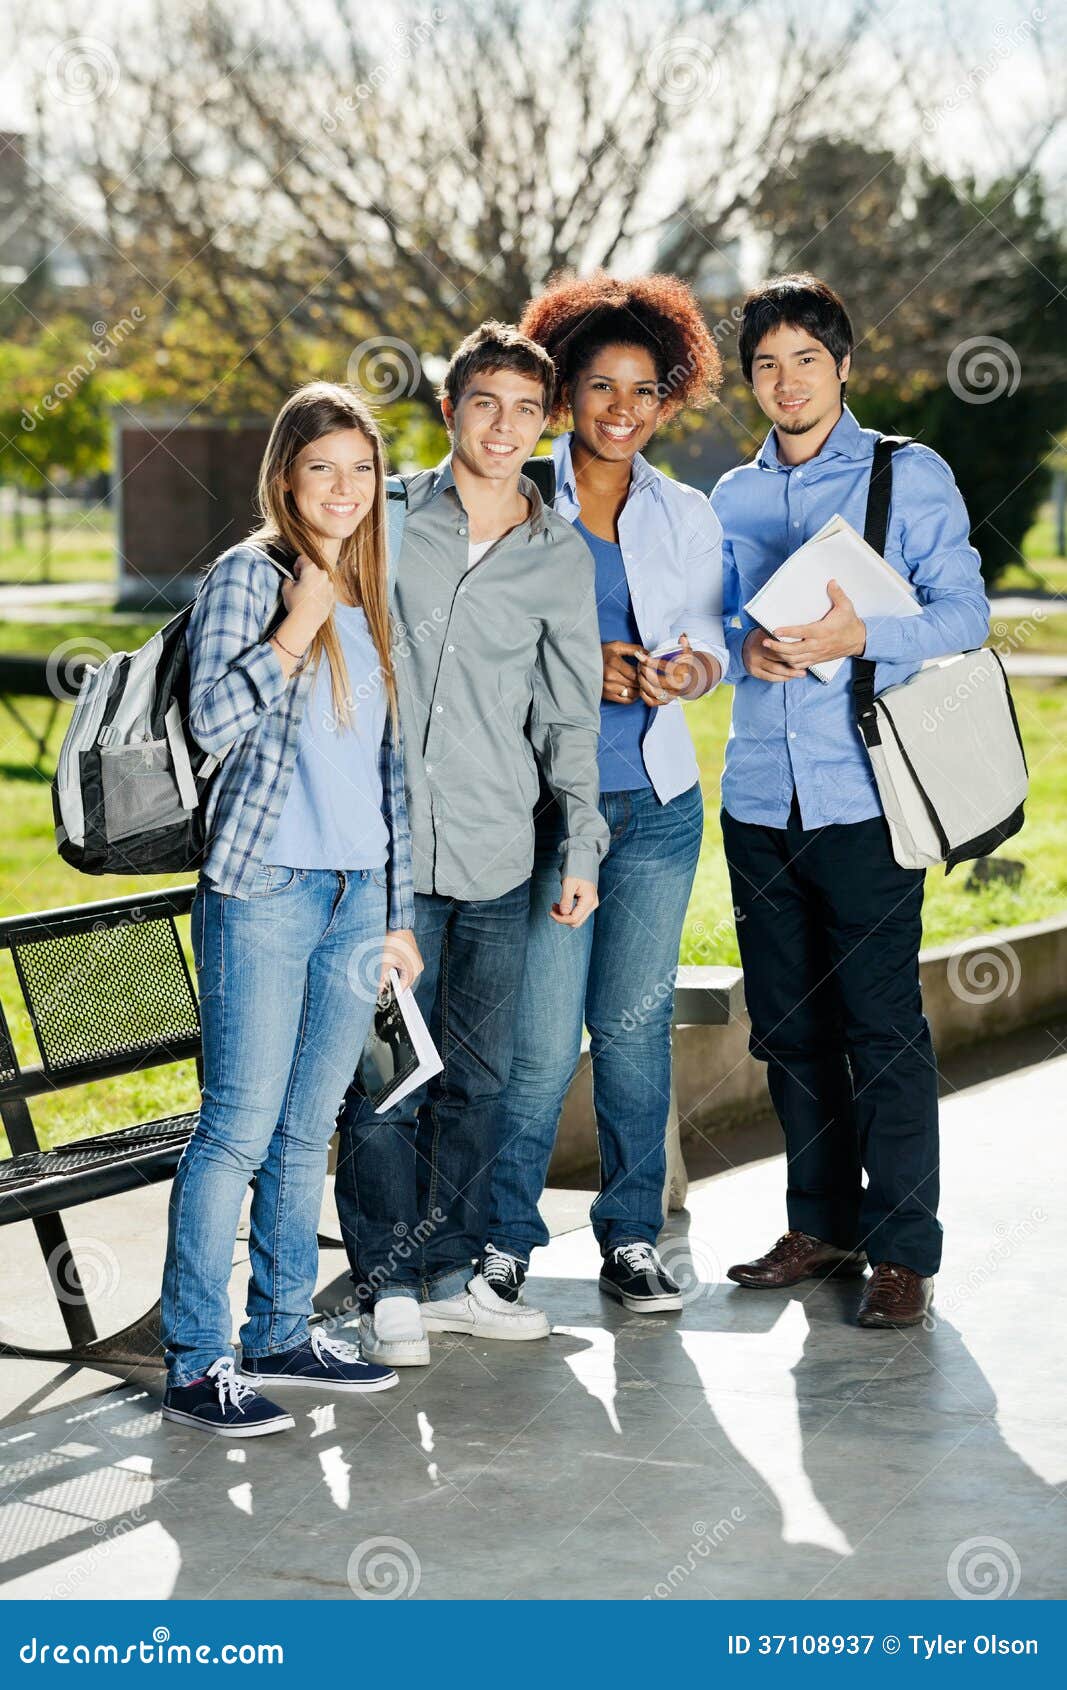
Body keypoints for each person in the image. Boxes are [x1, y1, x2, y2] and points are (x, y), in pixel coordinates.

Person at [710, 274, 989, 1328]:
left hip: (866, 798)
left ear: (841, 366)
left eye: (804, 361)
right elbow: (709, 638)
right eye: (764, 365)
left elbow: (963, 613)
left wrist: (855, 635)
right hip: (755, 802)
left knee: (879, 1029)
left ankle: (901, 1249)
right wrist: (743, 649)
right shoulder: (731, 498)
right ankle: (818, 1225)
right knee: (786, 1029)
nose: (784, 382)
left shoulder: (903, 477)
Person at [334, 321, 609, 1367]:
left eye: (525, 410)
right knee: (387, 1077)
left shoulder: (557, 557)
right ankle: (383, 1284)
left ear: (546, 423)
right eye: (482, 403)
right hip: (382, 861)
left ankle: (449, 1275)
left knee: (480, 1080)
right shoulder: (389, 515)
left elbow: (568, 715)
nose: (503, 427)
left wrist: (580, 845)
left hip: (498, 854)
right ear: (449, 410)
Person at [161, 383, 422, 1436]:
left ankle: (278, 1327)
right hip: (266, 887)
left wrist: (398, 910)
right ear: (285, 477)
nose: (344, 489)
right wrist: (292, 630)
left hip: (357, 894)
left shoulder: (371, 592)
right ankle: (194, 1360)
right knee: (235, 1127)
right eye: (323, 468)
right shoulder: (250, 577)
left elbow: (391, 772)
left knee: (309, 1122)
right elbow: (207, 718)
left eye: (361, 469)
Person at [482, 272, 728, 1315]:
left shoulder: (685, 511)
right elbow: (480, 646)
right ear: (561, 393)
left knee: (632, 1029)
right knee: (539, 1042)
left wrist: (688, 672)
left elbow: (711, 635)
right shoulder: (510, 498)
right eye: (597, 387)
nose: (620, 410)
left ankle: (630, 1238)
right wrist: (580, 667)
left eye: (642, 389)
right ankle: (500, 1244)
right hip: (548, 813)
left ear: (665, 399)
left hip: (659, 807)